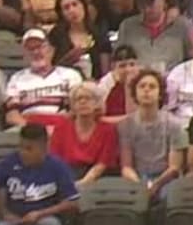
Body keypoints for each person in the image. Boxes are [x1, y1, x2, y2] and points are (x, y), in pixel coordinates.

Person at [118, 68, 184, 200]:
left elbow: (174, 168)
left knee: (168, 197)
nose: (146, 90)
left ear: (160, 93)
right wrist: (140, 186)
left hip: (165, 178)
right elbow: (126, 167)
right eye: (142, 86)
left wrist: (155, 185)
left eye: (152, 86)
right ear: (135, 93)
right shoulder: (125, 125)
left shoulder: (174, 124)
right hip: (137, 177)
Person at [4, 27, 84, 129]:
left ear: (51, 50)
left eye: (40, 47)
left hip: (63, 126)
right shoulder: (16, 79)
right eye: (30, 49)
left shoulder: (70, 75)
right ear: (24, 54)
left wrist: (57, 128)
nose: (36, 52)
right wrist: (35, 131)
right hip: (29, 130)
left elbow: (77, 109)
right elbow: (11, 116)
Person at [115, 0, 193, 72]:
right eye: (142, 4)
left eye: (151, 3)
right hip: (138, 80)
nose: (147, 9)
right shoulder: (127, 26)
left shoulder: (182, 25)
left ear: (162, 0)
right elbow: (118, 59)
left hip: (174, 79)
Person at [50, 82, 118, 184]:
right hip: (66, 175)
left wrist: (83, 183)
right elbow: (55, 161)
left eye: (88, 98)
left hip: (97, 178)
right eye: (78, 99)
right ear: (72, 105)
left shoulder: (107, 130)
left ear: (97, 103)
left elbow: (102, 163)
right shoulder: (61, 128)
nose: (83, 102)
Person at [48, 0, 109, 80]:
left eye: (75, 4)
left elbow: (105, 72)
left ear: (83, 6)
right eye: (66, 8)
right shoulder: (56, 34)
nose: (72, 10)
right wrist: (69, 58)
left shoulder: (99, 33)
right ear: (61, 13)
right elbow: (50, 69)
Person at [95, 44, 139, 121]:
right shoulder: (106, 83)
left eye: (132, 64)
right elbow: (98, 118)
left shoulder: (144, 81)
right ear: (113, 67)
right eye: (122, 66)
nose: (128, 70)